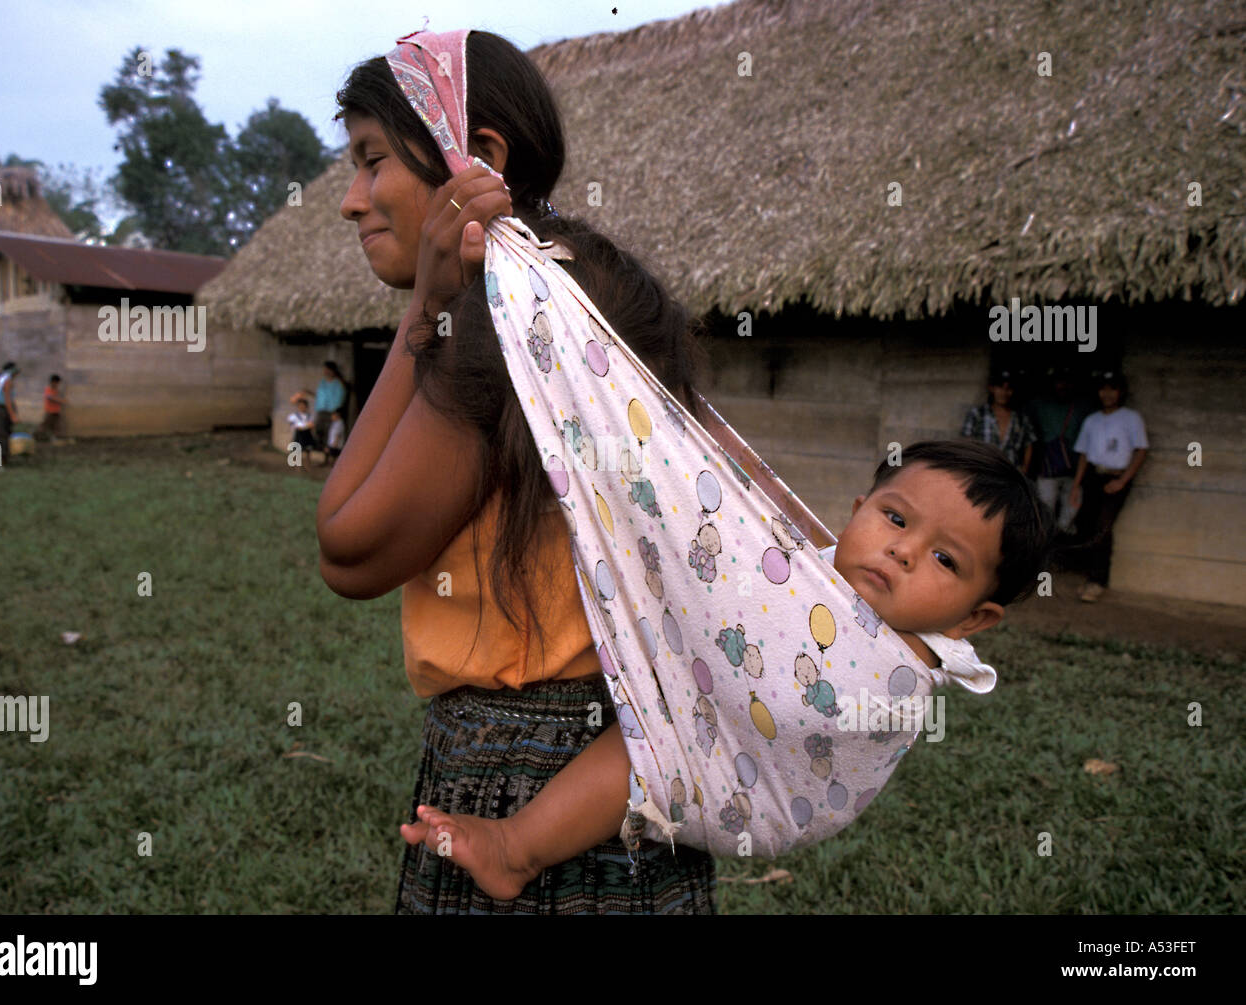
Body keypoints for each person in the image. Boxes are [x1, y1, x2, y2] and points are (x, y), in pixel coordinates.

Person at [316, 29, 717, 914]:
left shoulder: (498, 323)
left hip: (521, 779)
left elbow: (347, 549)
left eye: (371, 160)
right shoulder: (594, 289)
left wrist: (428, 306)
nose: (351, 200)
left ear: (479, 156)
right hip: (622, 765)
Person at [399, 440, 1052, 900]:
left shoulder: (914, 658)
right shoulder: (809, 562)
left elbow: (809, 693)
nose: (904, 550)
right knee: (653, 731)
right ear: (858, 508)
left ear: (974, 619)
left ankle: (517, 849)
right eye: (895, 517)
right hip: (734, 731)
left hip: (767, 795)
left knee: (652, 743)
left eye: (945, 559)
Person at [1069, 371, 1147, 602]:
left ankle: (1097, 581)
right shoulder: (1092, 420)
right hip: (1093, 476)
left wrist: (1123, 481)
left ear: (1121, 392)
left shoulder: (1131, 418)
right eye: (1103, 388)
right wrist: (1076, 485)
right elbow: (1083, 455)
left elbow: (1141, 450)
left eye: (1112, 388)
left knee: (1103, 527)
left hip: (1116, 477)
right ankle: (1087, 572)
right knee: (1086, 524)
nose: (1107, 394)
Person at [1027, 367, 1085, 533]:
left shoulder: (1082, 406)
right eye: (1059, 381)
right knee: (1044, 511)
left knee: (1071, 510)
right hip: (1048, 467)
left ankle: (1062, 542)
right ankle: (1046, 544)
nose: (1063, 386)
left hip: (1074, 469)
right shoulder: (1038, 405)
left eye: (1066, 381)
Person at [961, 368, 1037, 474]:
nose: (1004, 392)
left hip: (1011, 472)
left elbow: (1029, 443)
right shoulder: (978, 414)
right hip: (983, 470)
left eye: (1008, 389)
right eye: (1000, 387)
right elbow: (966, 441)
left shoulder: (1020, 418)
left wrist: (1024, 469)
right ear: (992, 389)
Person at [314, 362, 348, 449]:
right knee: (320, 432)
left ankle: (329, 455)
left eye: (327, 370)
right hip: (322, 410)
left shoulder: (338, 383)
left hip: (332, 411)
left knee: (331, 434)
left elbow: (340, 398)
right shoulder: (323, 382)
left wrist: (336, 412)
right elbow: (319, 395)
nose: (325, 372)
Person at [287, 393, 318, 462]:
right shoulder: (293, 416)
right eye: (300, 406)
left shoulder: (310, 416)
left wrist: (304, 426)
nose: (302, 407)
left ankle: (307, 466)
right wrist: (306, 425)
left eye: (303, 406)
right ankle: (296, 467)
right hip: (298, 436)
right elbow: (296, 426)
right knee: (296, 452)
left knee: (308, 451)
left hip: (307, 436)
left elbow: (311, 425)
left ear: (306, 407)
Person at [36, 374, 66, 443]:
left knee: (56, 426)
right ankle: (36, 436)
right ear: (53, 382)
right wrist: (61, 400)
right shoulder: (48, 389)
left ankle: (54, 438)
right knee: (44, 425)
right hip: (49, 411)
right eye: (56, 383)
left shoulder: (56, 390)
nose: (57, 384)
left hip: (56, 411)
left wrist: (61, 400)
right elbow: (50, 397)